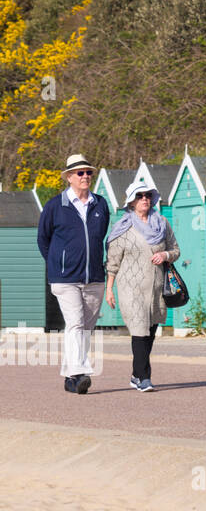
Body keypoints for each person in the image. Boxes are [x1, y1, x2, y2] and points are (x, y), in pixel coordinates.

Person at [37, 154, 112, 394]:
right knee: (75, 323)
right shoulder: (54, 205)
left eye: (88, 172)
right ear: (69, 177)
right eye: (80, 173)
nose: (85, 176)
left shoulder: (100, 204)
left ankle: (71, 378)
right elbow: (43, 240)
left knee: (85, 329)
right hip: (65, 278)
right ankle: (80, 373)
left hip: (94, 278)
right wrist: (57, 265)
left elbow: (100, 237)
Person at [105, 179, 179, 392]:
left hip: (156, 288)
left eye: (147, 195)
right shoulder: (122, 228)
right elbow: (113, 262)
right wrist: (109, 289)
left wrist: (165, 254)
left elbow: (175, 249)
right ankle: (144, 378)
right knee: (139, 330)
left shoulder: (162, 223)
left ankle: (136, 374)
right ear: (131, 202)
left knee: (151, 331)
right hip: (130, 288)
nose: (145, 199)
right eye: (140, 196)